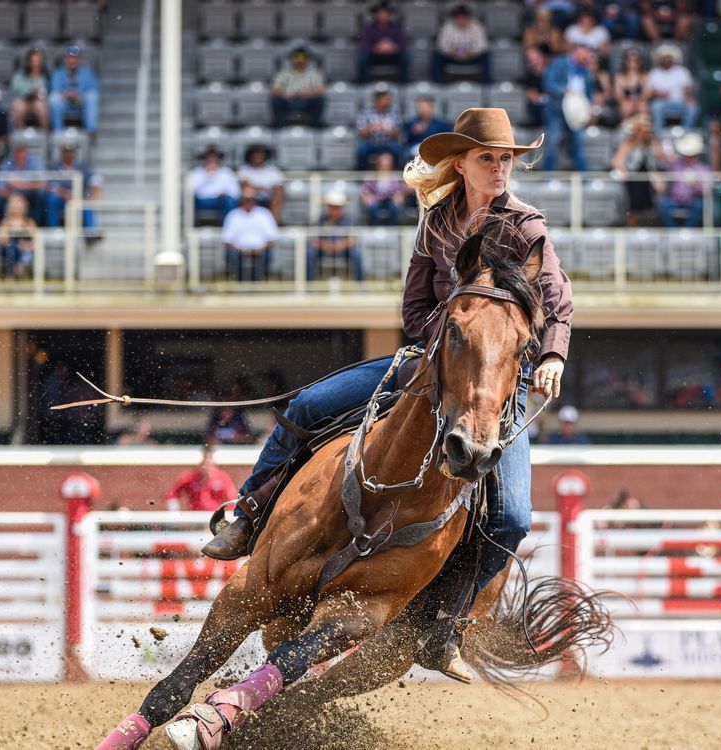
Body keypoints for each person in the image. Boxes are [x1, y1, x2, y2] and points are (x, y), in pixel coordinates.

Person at [202, 107, 570, 683]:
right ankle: (248, 514)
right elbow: (415, 307)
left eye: (506, 160)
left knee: (512, 516)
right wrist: (442, 352)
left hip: (501, 385)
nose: (500, 169)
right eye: (488, 158)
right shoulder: (435, 223)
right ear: (461, 164)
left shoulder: (527, 227)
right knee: (305, 409)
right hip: (429, 367)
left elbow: (557, 303)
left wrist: (550, 355)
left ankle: (442, 625)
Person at [542, 43, 594, 172]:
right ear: (575, 52)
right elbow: (548, 83)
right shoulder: (559, 63)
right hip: (557, 110)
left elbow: (588, 91)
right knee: (553, 142)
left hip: (576, 112)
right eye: (585, 54)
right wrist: (563, 90)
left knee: (579, 143)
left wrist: (589, 106)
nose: (587, 57)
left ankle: (583, 179)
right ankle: (547, 177)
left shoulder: (585, 68)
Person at [611, 113, 664, 226]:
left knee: (647, 210)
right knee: (632, 210)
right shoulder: (629, 144)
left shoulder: (650, 144)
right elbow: (617, 161)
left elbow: (660, 157)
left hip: (646, 181)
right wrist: (625, 171)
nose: (646, 133)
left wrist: (652, 141)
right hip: (633, 180)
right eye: (644, 130)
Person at [222, 185, 278, 282]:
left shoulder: (264, 214)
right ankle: (239, 283)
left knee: (266, 255)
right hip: (239, 250)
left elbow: (272, 238)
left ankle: (259, 283)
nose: (248, 202)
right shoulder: (233, 215)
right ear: (241, 200)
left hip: (261, 249)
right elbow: (227, 240)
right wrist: (240, 249)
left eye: (251, 199)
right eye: (246, 199)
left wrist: (260, 248)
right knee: (232, 254)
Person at [46, 139, 103, 231]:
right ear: (62, 153)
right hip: (60, 199)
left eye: (71, 152)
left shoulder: (82, 166)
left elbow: (96, 180)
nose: (69, 155)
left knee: (88, 204)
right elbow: (48, 184)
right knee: (52, 200)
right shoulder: (54, 166)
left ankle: (90, 232)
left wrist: (94, 195)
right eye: (66, 152)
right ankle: (53, 230)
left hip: (78, 198)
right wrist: (64, 193)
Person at [308, 189, 362, 282]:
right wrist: (325, 245)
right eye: (332, 207)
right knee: (310, 253)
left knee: (357, 253)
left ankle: (360, 284)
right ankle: (308, 284)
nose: (334, 210)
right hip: (324, 250)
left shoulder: (349, 220)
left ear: (342, 207)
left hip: (344, 250)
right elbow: (314, 240)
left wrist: (340, 245)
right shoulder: (321, 219)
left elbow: (353, 240)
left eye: (337, 207)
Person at [657, 132, 710, 228]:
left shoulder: (703, 169)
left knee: (699, 206)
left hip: (692, 200)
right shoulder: (676, 165)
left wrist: (696, 185)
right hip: (675, 200)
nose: (688, 157)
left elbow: (706, 189)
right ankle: (673, 231)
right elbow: (664, 167)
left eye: (691, 154)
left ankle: (687, 230)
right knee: (663, 205)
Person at [163, 445, 238, 512]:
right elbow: (172, 494)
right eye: (205, 460)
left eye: (209, 460)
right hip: (195, 518)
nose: (207, 463)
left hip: (214, 517)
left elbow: (232, 498)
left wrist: (228, 517)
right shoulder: (190, 477)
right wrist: (175, 514)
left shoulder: (222, 477)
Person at [644, 44, 698, 133]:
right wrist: (657, 93)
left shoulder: (682, 71)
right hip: (662, 102)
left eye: (668, 57)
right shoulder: (654, 73)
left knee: (693, 107)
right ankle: (659, 134)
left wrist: (688, 96)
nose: (666, 60)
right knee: (656, 106)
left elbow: (688, 88)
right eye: (663, 58)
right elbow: (648, 93)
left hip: (680, 101)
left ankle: (685, 133)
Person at [432, 4, 491, 84]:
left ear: (468, 18)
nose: (461, 20)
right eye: (458, 18)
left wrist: (471, 51)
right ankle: (437, 85)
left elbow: (482, 45)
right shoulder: (447, 26)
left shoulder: (477, 26)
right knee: (437, 55)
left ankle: (485, 86)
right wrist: (452, 51)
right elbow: (441, 44)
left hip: (471, 57)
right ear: (454, 18)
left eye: (464, 18)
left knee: (486, 55)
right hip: (452, 57)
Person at [270, 46, 326, 129]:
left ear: (307, 59)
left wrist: (309, 92)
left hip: (307, 101)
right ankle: (279, 128)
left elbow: (321, 90)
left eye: (303, 57)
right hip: (288, 101)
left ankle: (315, 128)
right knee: (276, 100)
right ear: (292, 59)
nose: (300, 60)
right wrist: (283, 94)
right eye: (297, 57)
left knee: (320, 100)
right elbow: (273, 89)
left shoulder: (314, 73)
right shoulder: (283, 73)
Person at [49, 45, 100, 135]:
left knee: (92, 96)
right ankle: (57, 132)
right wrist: (66, 94)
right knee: (53, 99)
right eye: (69, 58)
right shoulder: (58, 73)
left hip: (81, 102)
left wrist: (79, 96)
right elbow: (54, 89)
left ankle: (90, 132)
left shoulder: (87, 73)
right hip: (65, 102)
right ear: (65, 59)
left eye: (74, 58)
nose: (71, 61)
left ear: (78, 59)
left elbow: (94, 89)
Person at [358, 1, 410, 84]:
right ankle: (365, 84)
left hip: (392, 57)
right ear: (376, 15)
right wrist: (377, 47)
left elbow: (403, 44)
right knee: (362, 57)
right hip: (375, 57)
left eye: (385, 13)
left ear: (389, 14)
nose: (383, 15)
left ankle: (403, 84)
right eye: (380, 13)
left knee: (407, 56)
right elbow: (364, 45)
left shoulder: (396, 28)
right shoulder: (369, 28)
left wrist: (393, 46)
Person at [190, 145, 239, 225]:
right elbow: (191, 189)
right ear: (204, 159)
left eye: (215, 157)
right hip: (201, 201)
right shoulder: (197, 172)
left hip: (220, 201)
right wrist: (206, 175)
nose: (212, 160)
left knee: (230, 201)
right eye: (209, 157)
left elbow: (235, 192)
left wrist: (225, 193)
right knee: (191, 202)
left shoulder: (226, 172)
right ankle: (194, 225)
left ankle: (224, 227)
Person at [0, 143, 48, 226]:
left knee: (41, 197)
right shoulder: (8, 163)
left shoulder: (35, 162)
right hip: (12, 194)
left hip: (31, 194)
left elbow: (42, 182)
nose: (20, 154)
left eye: (22, 151)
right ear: (14, 152)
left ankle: (38, 225)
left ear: (27, 152)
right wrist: (27, 184)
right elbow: (2, 185)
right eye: (18, 151)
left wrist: (20, 185)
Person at [355, 88, 402, 170]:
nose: (389, 102)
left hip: (388, 143)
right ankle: (362, 178)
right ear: (378, 100)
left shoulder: (394, 114)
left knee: (398, 151)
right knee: (361, 151)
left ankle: (396, 178)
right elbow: (361, 133)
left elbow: (398, 134)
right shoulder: (366, 113)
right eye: (386, 99)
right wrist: (371, 127)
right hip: (371, 143)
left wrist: (390, 131)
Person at [237, 144, 284, 222]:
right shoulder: (245, 170)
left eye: (260, 154)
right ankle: (246, 221)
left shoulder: (272, 170)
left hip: (268, 198)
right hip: (252, 198)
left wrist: (259, 188)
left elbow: (279, 187)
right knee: (247, 192)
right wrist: (262, 189)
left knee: (279, 194)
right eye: (255, 154)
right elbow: (245, 185)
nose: (258, 157)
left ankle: (273, 222)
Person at [0, 192, 37, 279]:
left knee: (20, 249)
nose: (16, 205)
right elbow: (2, 241)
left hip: (26, 252)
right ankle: (16, 268)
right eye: (13, 202)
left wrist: (24, 245)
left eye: (18, 202)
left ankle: (15, 270)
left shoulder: (29, 222)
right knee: (12, 247)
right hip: (9, 252)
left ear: (24, 205)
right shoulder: (5, 222)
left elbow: (35, 242)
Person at [361, 152, 407, 226]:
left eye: (387, 164)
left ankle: (391, 228)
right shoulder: (371, 176)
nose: (385, 166)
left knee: (394, 208)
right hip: (375, 200)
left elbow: (400, 191)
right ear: (378, 164)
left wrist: (399, 197)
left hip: (390, 201)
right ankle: (376, 229)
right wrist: (368, 197)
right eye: (383, 164)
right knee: (373, 208)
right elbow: (365, 190)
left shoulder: (395, 177)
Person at [9, 48, 50, 130]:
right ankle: (20, 137)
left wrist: (39, 95)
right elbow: (16, 88)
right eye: (33, 61)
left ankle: (45, 135)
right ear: (29, 61)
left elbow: (48, 91)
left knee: (41, 106)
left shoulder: (46, 76)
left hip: (39, 101)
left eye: (38, 61)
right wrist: (30, 92)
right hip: (24, 100)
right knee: (18, 106)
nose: (36, 64)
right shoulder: (20, 74)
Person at [403, 95, 450, 162]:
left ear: (431, 107)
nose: (422, 110)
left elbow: (448, 139)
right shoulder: (411, 123)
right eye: (420, 107)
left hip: (435, 149)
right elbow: (406, 141)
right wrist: (414, 132)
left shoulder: (441, 124)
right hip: (416, 148)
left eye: (425, 107)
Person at [614, 49, 649, 122]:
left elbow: (647, 93)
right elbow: (619, 95)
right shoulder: (620, 77)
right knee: (625, 107)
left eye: (635, 60)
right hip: (626, 102)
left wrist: (637, 102)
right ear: (626, 62)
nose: (632, 63)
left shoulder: (644, 76)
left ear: (639, 62)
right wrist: (629, 102)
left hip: (640, 102)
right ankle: (626, 127)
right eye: (630, 60)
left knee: (643, 107)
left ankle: (643, 127)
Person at [522, 46, 550, 128]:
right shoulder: (529, 75)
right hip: (539, 106)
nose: (530, 59)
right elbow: (531, 94)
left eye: (533, 56)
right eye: (528, 57)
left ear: (540, 56)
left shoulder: (551, 72)